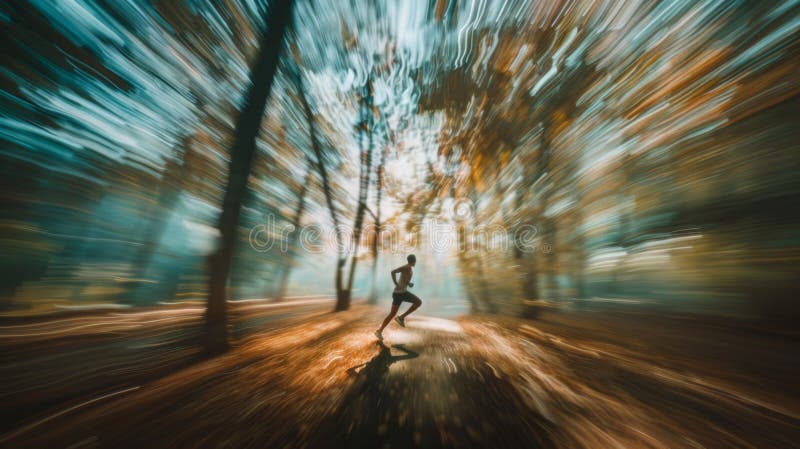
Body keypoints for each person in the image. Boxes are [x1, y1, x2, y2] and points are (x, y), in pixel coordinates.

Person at [374, 254, 422, 340]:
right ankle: (401, 317)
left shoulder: (408, 268)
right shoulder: (406, 267)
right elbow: (393, 272)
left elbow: (404, 279)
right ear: (414, 261)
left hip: (398, 293)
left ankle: (379, 331)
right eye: (415, 260)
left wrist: (408, 283)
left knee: (392, 314)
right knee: (418, 302)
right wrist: (395, 282)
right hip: (401, 293)